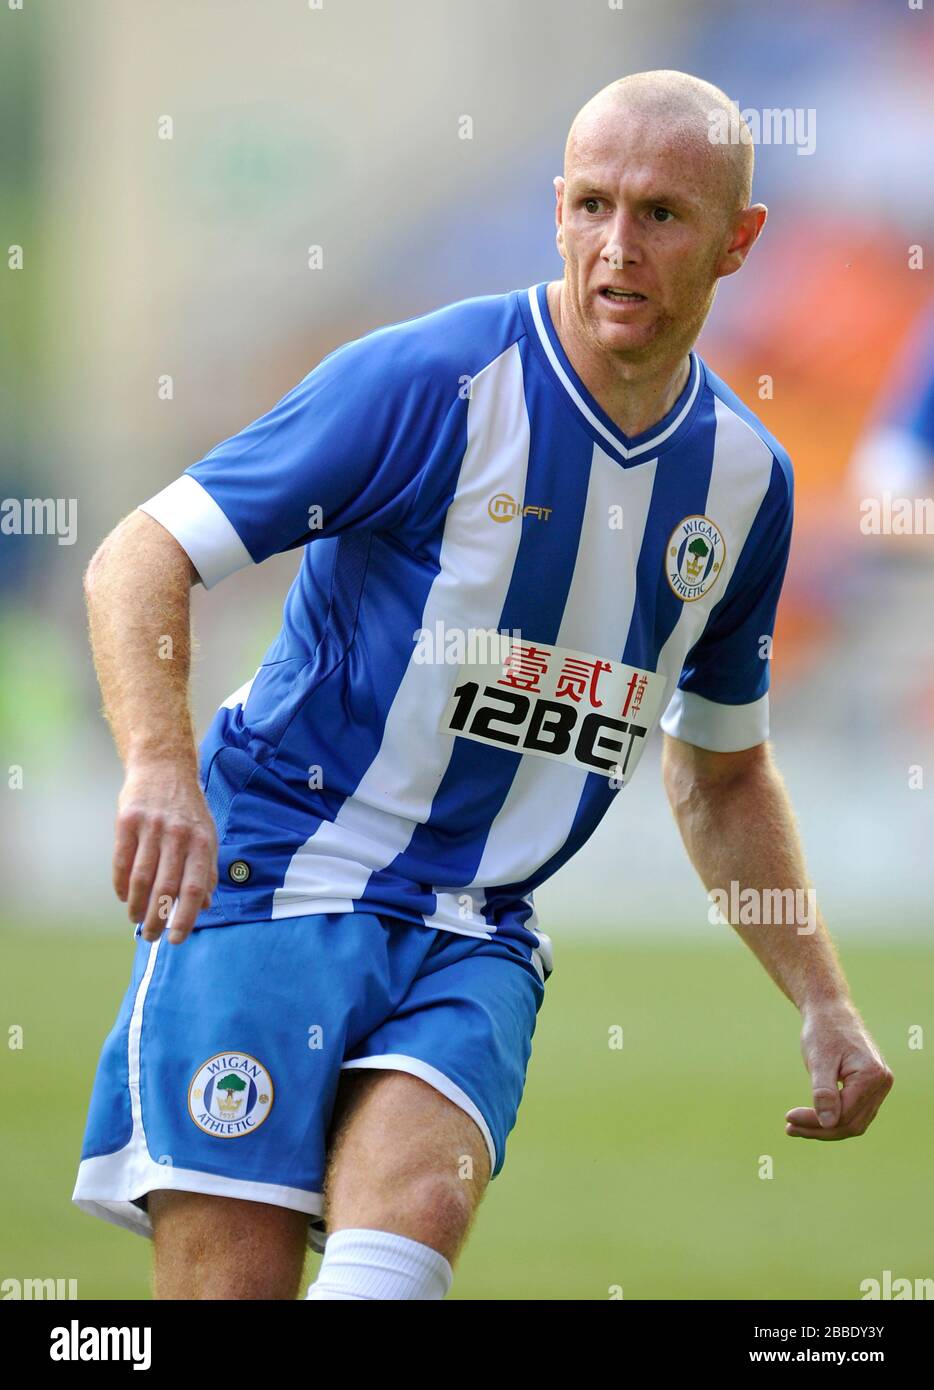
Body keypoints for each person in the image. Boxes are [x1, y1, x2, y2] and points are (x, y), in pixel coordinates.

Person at [73, 70, 893, 1301]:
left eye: (663, 216)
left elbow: (721, 773)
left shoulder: (744, 482)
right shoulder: (428, 381)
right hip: (273, 874)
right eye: (592, 206)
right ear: (556, 209)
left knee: (404, 1244)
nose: (618, 247)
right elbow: (142, 553)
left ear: (739, 242)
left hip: (473, 927)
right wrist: (157, 764)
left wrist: (823, 1001)